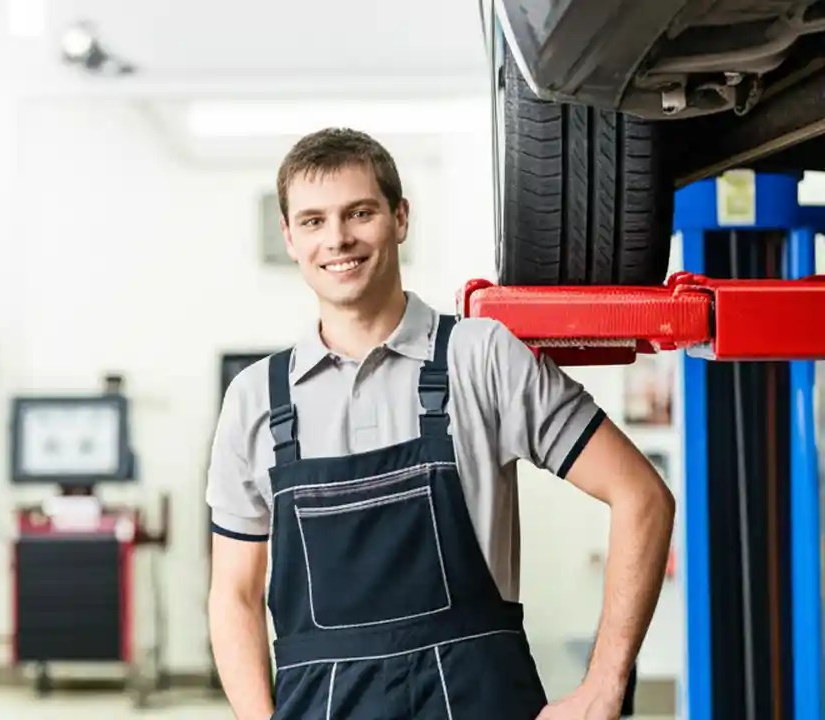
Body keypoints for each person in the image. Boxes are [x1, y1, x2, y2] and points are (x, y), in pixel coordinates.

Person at [205, 128, 675, 719]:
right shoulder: (255, 400)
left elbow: (643, 496)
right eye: (314, 221)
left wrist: (606, 684)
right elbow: (234, 594)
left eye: (360, 212)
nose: (338, 238)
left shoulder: (481, 358)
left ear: (400, 218)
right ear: (290, 238)